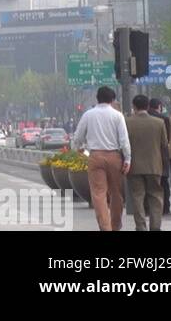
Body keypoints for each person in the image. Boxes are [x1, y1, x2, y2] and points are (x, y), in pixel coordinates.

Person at [72, 87, 132, 232]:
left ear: (97, 99)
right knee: (116, 193)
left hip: (95, 156)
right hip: (114, 156)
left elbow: (78, 137)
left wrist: (77, 149)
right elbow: (124, 140)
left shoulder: (88, 115)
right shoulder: (118, 116)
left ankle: (105, 227)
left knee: (98, 194)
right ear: (112, 100)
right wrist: (127, 159)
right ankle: (116, 225)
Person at [125, 95, 169, 232]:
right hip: (155, 166)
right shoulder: (159, 123)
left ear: (134, 106)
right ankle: (156, 226)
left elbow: (124, 145)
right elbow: (164, 146)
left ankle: (140, 226)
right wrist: (165, 167)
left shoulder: (127, 122)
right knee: (156, 196)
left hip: (134, 167)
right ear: (148, 106)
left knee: (137, 197)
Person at [149, 98, 171, 216]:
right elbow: (167, 139)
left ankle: (149, 209)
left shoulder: (139, 119)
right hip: (162, 156)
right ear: (159, 106)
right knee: (163, 183)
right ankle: (165, 208)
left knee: (148, 185)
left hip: (147, 157)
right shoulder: (164, 119)